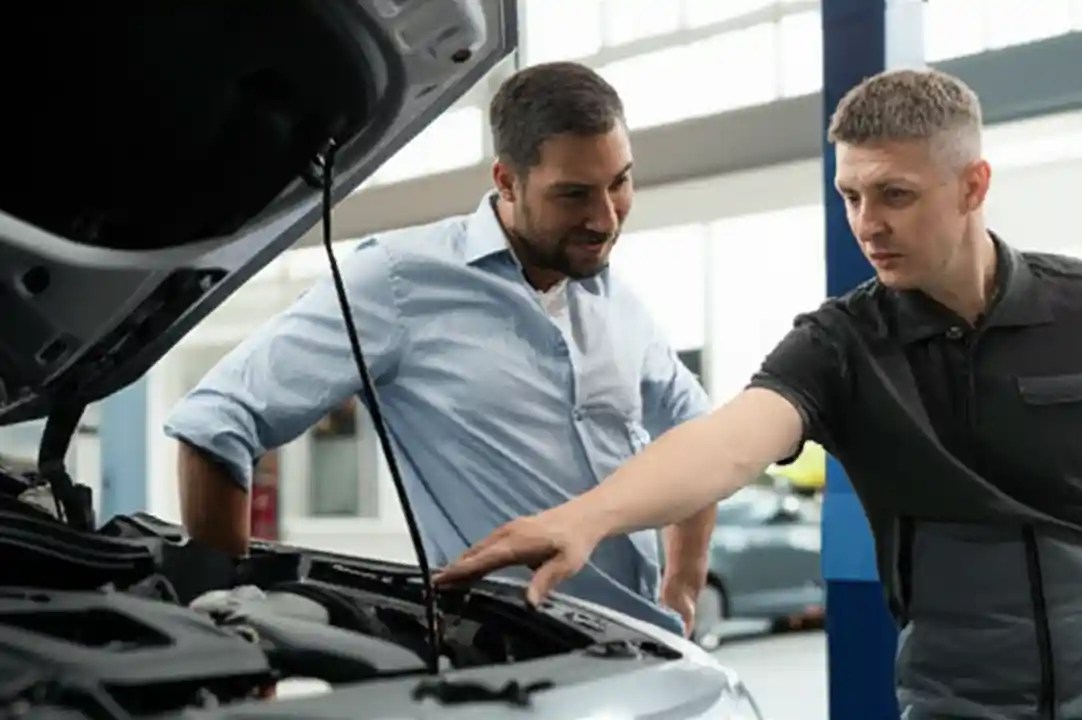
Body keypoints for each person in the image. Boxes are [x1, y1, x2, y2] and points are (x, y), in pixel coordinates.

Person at [434, 68, 1082, 717]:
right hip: (961, 701)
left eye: (896, 195)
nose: (867, 222)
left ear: (974, 186)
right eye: (851, 195)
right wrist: (594, 514)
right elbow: (731, 440)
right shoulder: (842, 345)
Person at [163, 61, 716, 637]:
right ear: (506, 181)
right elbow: (216, 422)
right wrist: (225, 631)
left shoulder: (617, 300)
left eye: (620, 182)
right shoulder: (399, 282)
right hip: (519, 663)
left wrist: (682, 581)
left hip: (650, 652)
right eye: (573, 194)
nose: (605, 218)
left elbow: (699, 431)